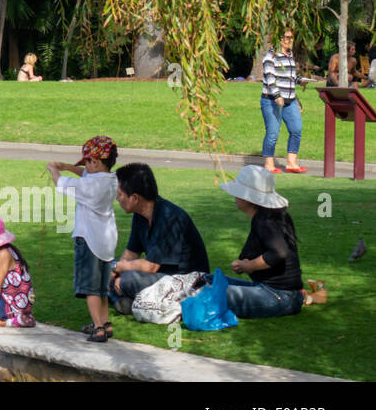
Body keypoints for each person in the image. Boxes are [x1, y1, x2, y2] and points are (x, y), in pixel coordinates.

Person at [109, 163, 210, 314]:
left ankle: (123, 299)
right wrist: (114, 271)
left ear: (135, 198)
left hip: (186, 281)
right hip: (162, 277)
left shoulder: (169, 217)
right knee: (106, 271)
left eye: (120, 194)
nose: (117, 199)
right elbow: (131, 252)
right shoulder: (140, 215)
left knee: (128, 280)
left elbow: (151, 267)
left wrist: (121, 270)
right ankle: (126, 300)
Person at [48, 135, 119, 342]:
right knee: (103, 287)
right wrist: (68, 166)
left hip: (88, 239)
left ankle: (97, 327)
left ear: (95, 162)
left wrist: (54, 169)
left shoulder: (89, 187)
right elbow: (86, 174)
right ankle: (106, 323)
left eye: (88, 161)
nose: (85, 166)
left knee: (90, 288)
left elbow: (61, 183)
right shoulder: (112, 180)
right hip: (106, 242)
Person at [218, 165, 306, 319]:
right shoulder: (270, 217)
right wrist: (246, 264)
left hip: (279, 296)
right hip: (279, 293)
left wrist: (248, 266)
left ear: (248, 198)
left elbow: (279, 252)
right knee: (207, 280)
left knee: (211, 293)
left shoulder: (264, 220)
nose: (235, 197)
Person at [261, 29, 305, 174]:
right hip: (272, 100)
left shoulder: (290, 55)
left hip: (290, 100)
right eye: (287, 38)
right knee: (273, 133)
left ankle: (291, 163)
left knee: (296, 129)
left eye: (292, 37)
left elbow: (289, 77)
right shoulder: (271, 56)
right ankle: (269, 164)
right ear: (279, 40)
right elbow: (270, 78)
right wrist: (277, 96)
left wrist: (300, 81)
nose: (290, 40)